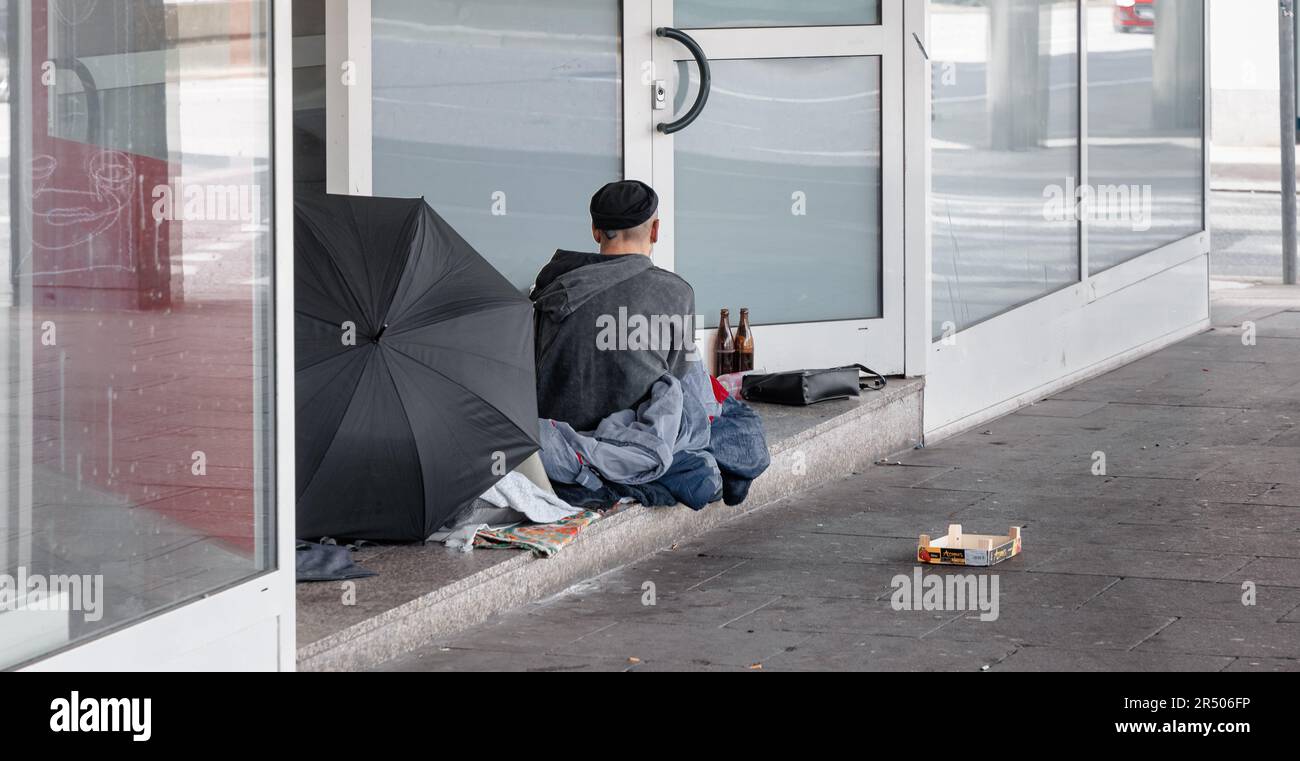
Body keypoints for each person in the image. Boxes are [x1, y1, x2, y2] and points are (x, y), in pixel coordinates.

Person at [530, 180, 699, 432]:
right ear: (655, 230)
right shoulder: (676, 294)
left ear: (595, 231)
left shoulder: (552, 289)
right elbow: (675, 387)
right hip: (633, 450)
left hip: (556, 448)